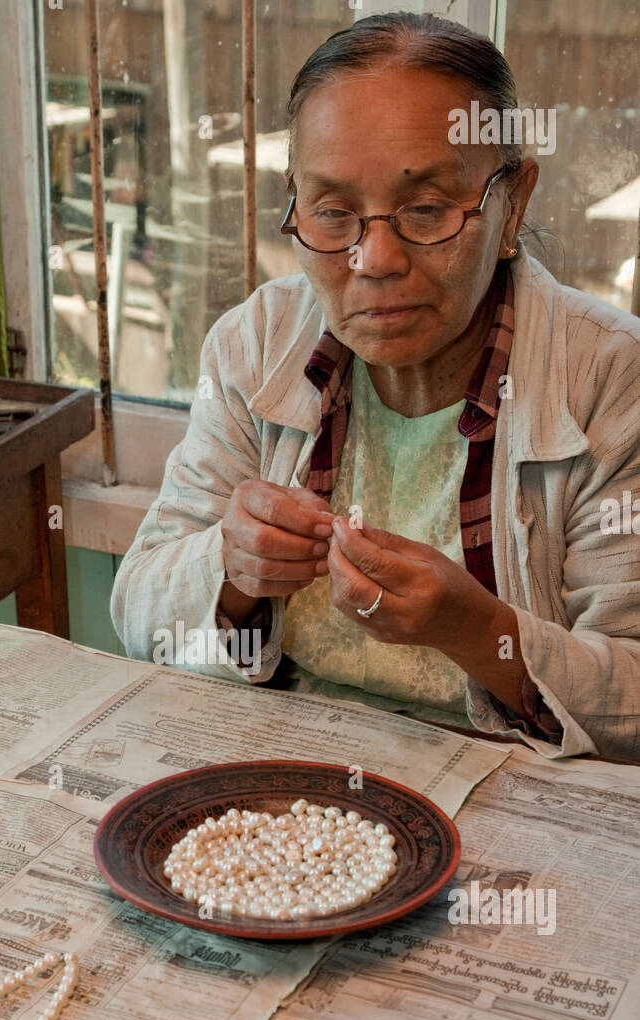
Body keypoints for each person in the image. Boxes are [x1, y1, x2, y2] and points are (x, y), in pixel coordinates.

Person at [111, 12, 640, 764]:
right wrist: (230, 573)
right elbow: (136, 609)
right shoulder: (255, 345)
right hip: (289, 781)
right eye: (333, 213)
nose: (374, 258)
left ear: (512, 203)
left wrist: (473, 628)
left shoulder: (612, 380)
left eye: (427, 210)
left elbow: (633, 697)